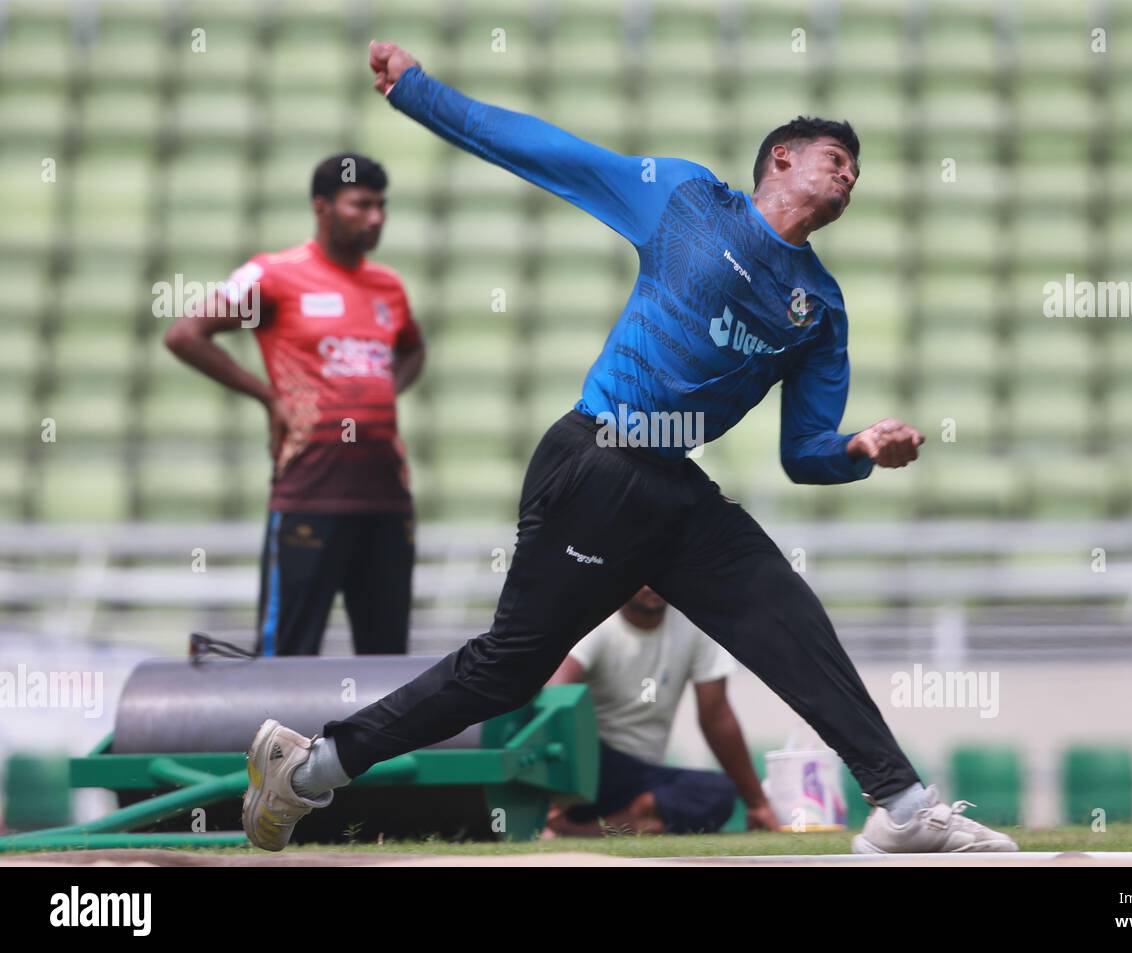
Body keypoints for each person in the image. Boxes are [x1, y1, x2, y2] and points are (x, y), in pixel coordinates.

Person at [240, 42, 1017, 855]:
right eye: (837, 159)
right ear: (780, 158)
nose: (850, 176)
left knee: (786, 616)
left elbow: (804, 453)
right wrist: (418, 91)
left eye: (858, 171)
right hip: (596, 460)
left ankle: (900, 805)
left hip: (676, 492)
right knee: (505, 670)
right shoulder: (685, 200)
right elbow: (546, 151)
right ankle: (311, 770)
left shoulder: (819, 308)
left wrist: (859, 446)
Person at [165, 153, 425, 657]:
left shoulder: (387, 287)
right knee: (286, 656)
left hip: (387, 496)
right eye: (362, 205)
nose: (377, 218)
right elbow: (185, 334)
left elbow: (413, 348)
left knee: (387, 659)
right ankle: (276, 740)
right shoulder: (275, 275)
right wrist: (268, 397)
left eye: (382, 206)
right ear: (322, 208)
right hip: (310, 491)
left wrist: (384, 392)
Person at [543, 587, 778, 836]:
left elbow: (716, 717)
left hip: (643, 781)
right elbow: (555, 699)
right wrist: (556, 783)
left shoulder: (694, 623)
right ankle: (625, 823)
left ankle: (608, 825)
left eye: (660, 574)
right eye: (644, 576)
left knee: (719, 792)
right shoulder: (597, 619)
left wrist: (757, 804)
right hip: (592, 768)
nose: (653, 585)